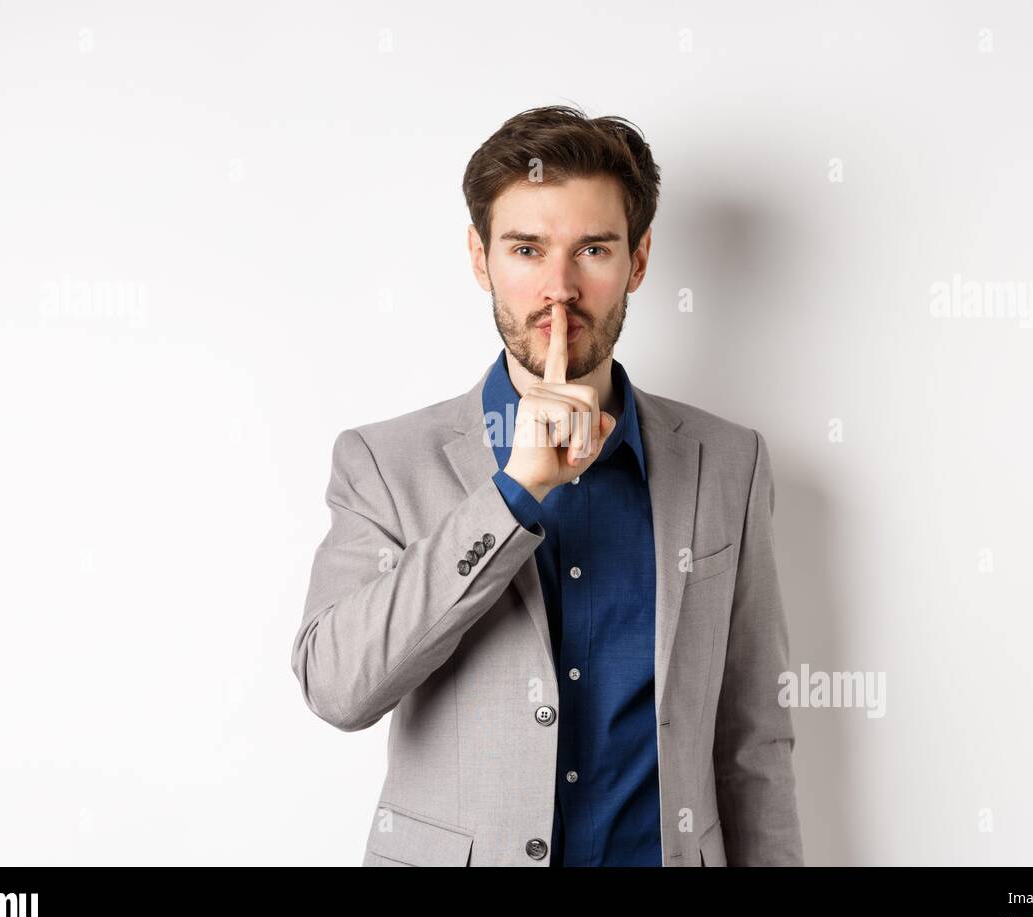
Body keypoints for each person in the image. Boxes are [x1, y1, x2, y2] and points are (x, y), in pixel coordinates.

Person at [291, 105, 804, 867]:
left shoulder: (727, 462)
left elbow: (753, 735)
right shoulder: (384, 462)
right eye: (526, 249)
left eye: (592, 249)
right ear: (480, 258)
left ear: (637, 261)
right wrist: (513, 491)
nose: (558, 289)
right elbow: (337, 688)